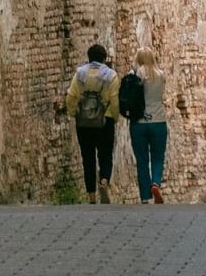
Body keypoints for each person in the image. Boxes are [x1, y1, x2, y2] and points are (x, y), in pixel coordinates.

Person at [66, 43, 120, 203]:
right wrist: (114, 117)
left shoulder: (80, 74)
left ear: (89, 58)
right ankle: (104, 181)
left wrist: (73, 112)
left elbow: (70, 96)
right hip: (105, 121)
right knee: (105, 155)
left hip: (83, 122)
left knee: (87, 157)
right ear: (104, 59)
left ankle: (91, 195)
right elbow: (114, 101)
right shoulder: (111, 76)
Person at [120, 50, 171, 202]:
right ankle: (155, 182)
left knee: (142, 160)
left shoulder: (136, 74)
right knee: (157, 156)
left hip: (139, 123)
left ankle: (144, 196)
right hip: (158, 121)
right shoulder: (161, 75)